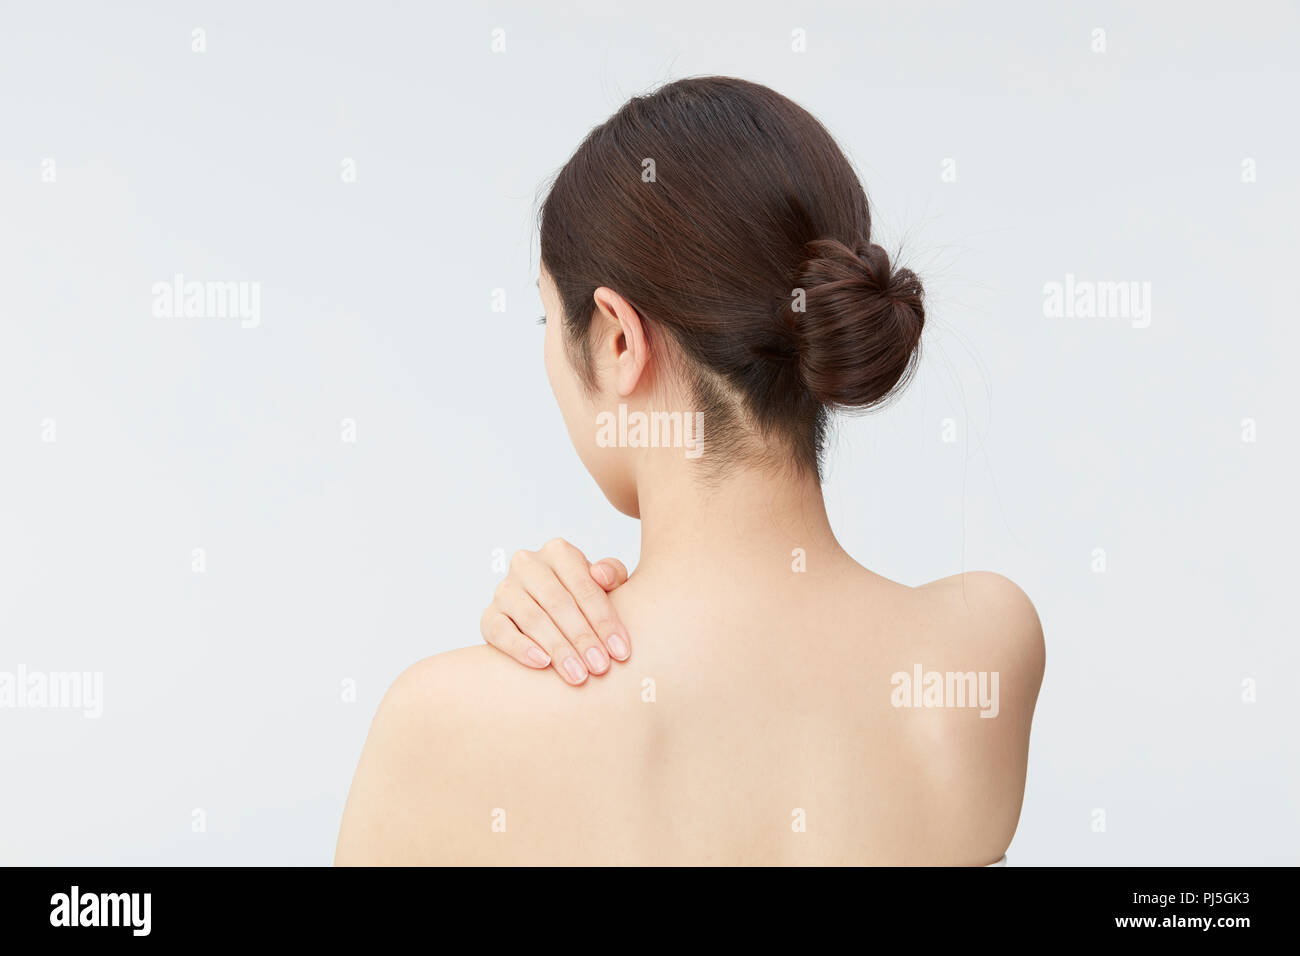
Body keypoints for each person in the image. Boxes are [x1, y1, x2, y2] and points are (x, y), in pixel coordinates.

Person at [335, 76, 1044, 866]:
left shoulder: (445, 724)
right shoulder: (984, 645)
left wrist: (511, 682)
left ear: (616, 340)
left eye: (547, 316)